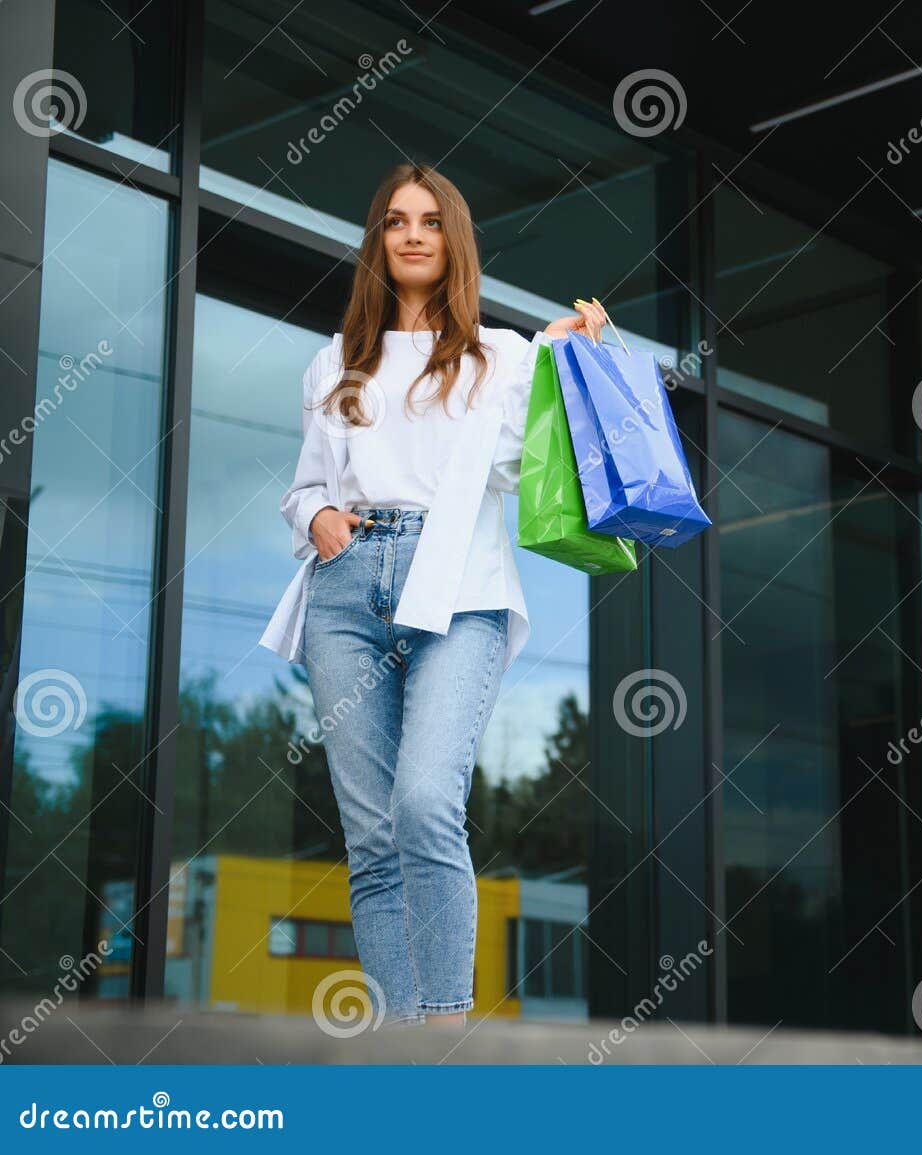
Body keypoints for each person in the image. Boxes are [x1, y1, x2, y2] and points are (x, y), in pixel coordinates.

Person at [258, 162, 607, 1028]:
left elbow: (524, 470)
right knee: (373, 838)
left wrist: (573, 359)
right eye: (393, 222)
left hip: (458, 588)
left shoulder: (503, 356)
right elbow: (302, 491)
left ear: (454, 241)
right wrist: (321, 519)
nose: (412, 234)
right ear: (378, 243)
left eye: (429, 221)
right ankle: (396, 1051)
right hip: (346, 587)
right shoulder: (331, 363)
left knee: (423, 802)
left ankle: (447, 1039)